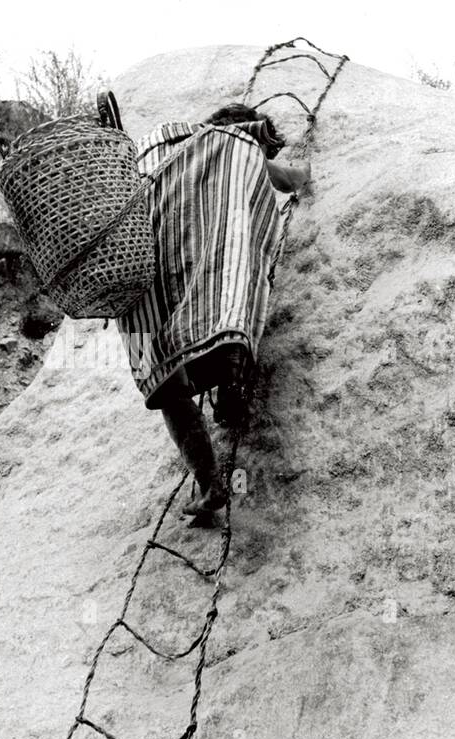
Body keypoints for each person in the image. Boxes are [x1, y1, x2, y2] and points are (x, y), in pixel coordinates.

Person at [115, 103, 311, 522]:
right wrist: (302, 169)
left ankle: (209, 485)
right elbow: (295, 179)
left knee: (165, 384)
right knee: (227, 298)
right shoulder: (233, 147)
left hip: (143, 277)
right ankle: (230, 384)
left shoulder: (156, 148)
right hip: (198, 274)